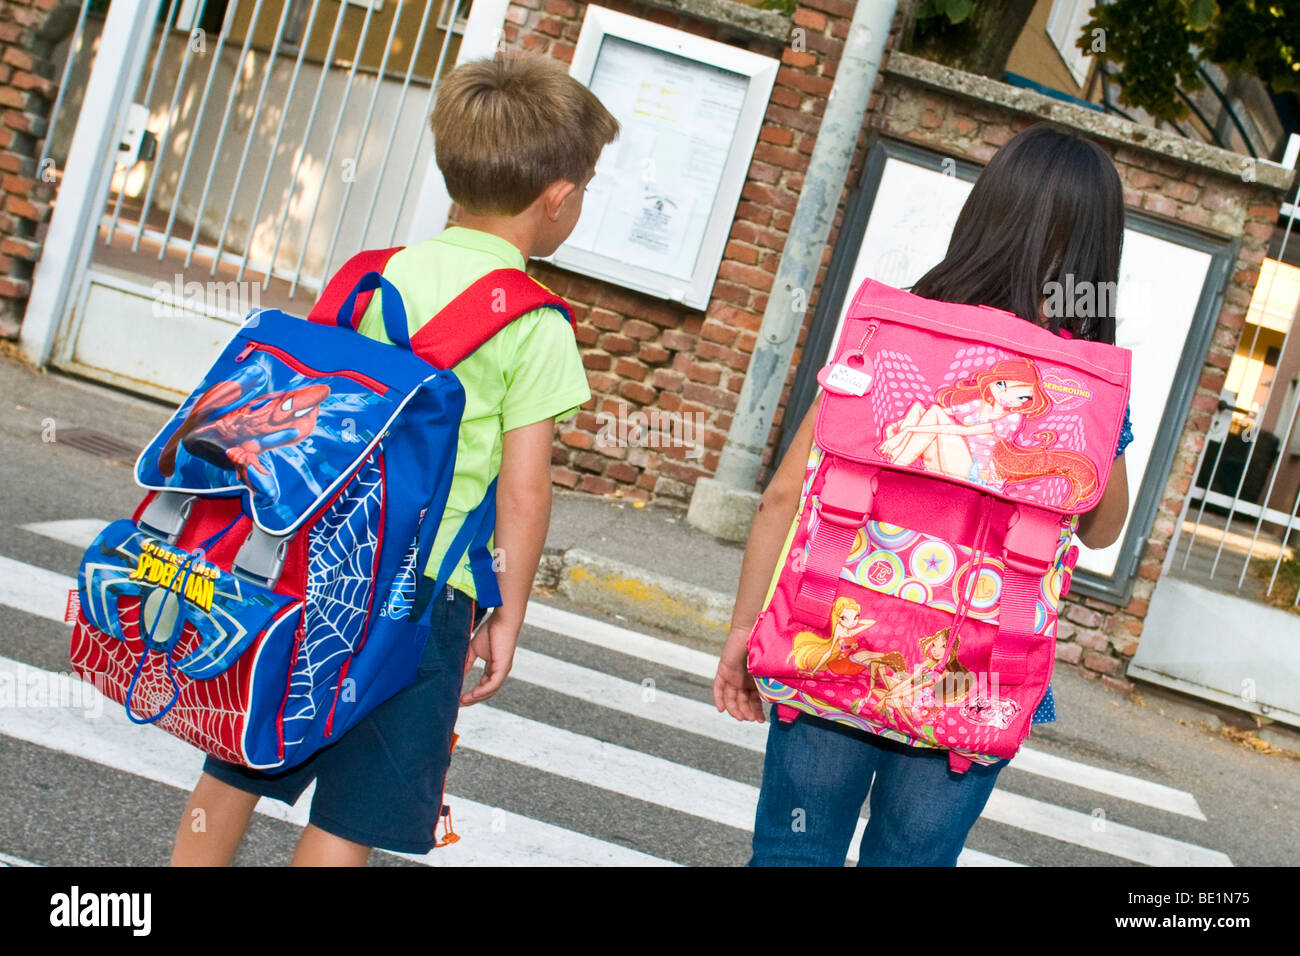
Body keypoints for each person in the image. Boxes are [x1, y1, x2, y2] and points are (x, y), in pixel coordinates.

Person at [171, 53, 618, 866]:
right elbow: (524, 492)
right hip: (426, 596)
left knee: (240, 757)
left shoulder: (374, 277)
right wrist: (507, 613)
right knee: (357, 814)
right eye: (584, 186)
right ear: (557, 198)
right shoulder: (536, 324)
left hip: (314, 567)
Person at [713, 122, 1135, 867]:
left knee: (792, 851)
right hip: (976, 671)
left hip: (834, 633)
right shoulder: (1082, 387)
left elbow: (783, 496)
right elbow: (1101, 531)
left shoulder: (893, 331)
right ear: (1099, 253)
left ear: (987, 211)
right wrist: (1105, 412)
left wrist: (746, 630)